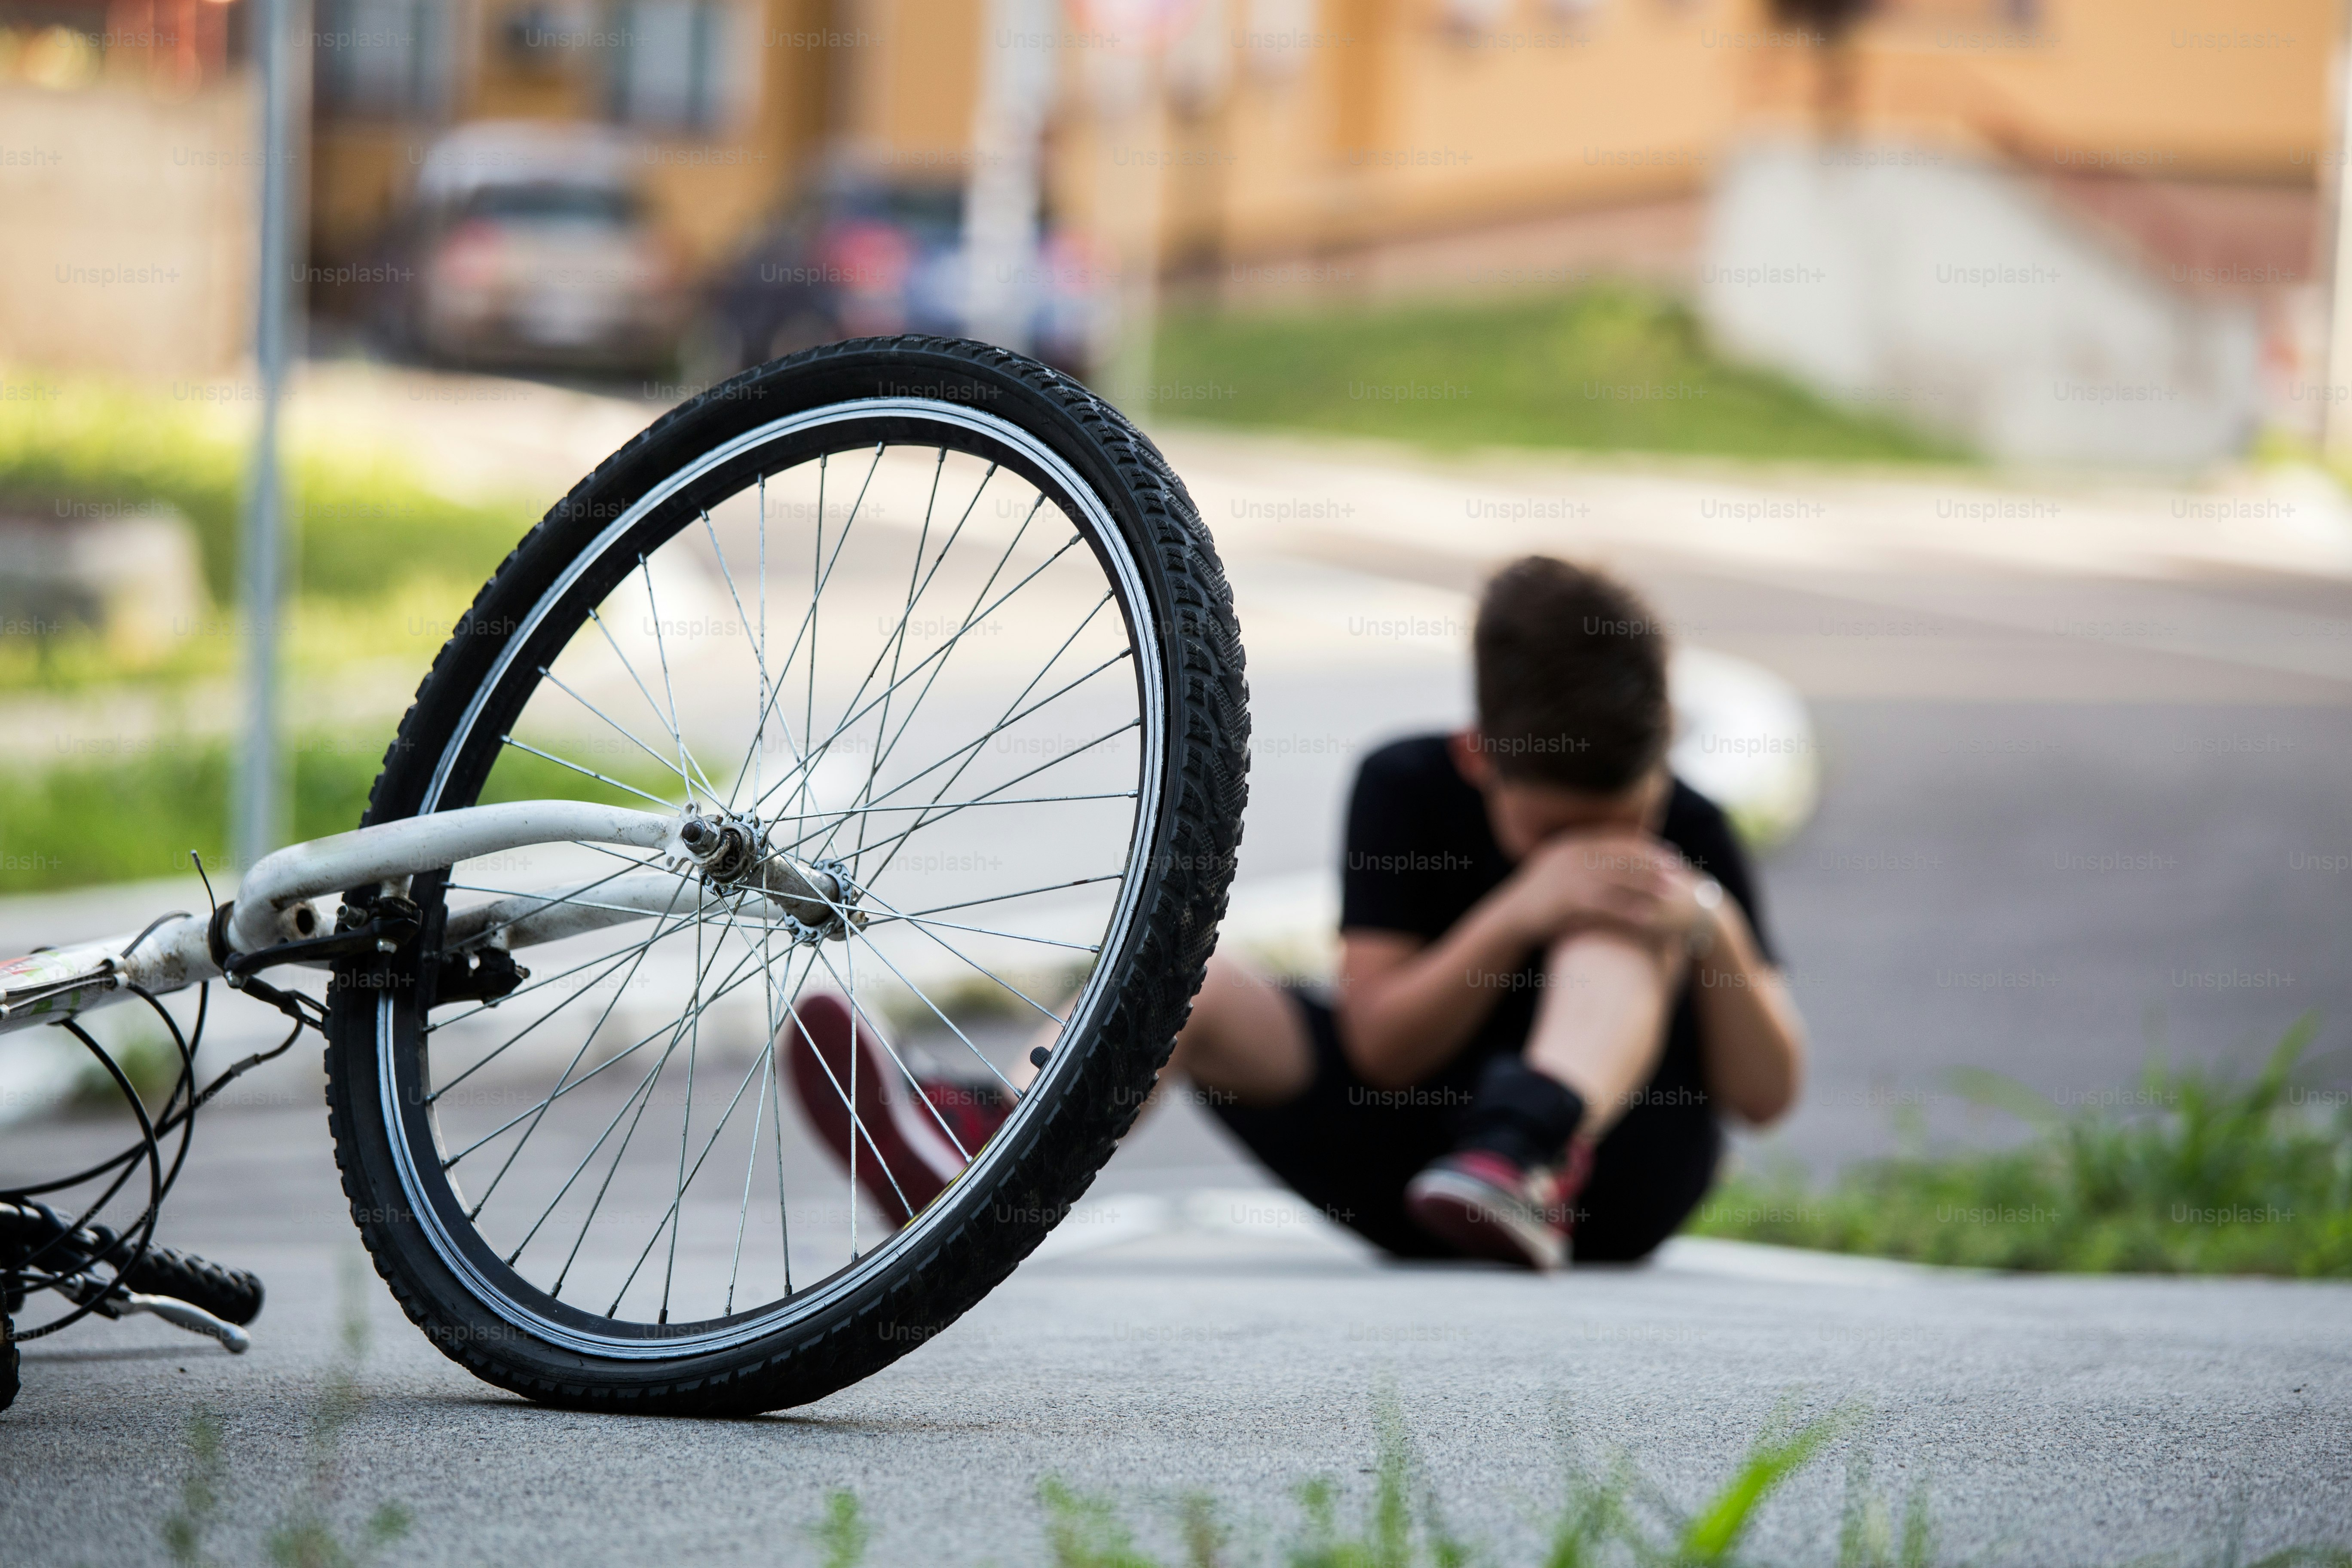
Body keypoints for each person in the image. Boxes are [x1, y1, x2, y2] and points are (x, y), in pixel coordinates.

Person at [789, 555, 1806, 1270]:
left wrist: (1707, 922)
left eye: (1622, 822)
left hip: (1612, 1184)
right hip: (1413, 1167)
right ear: (1476, 757)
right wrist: (1519, 911)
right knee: (1196, 978)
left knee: (1623, 916)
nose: (1589, 851)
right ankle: (994, 1157)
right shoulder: (1409, 786)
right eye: (1551, 833)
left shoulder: (1688, 828)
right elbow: (1381, 1046)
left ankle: (1527, 1150)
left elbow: (1766, 1094)